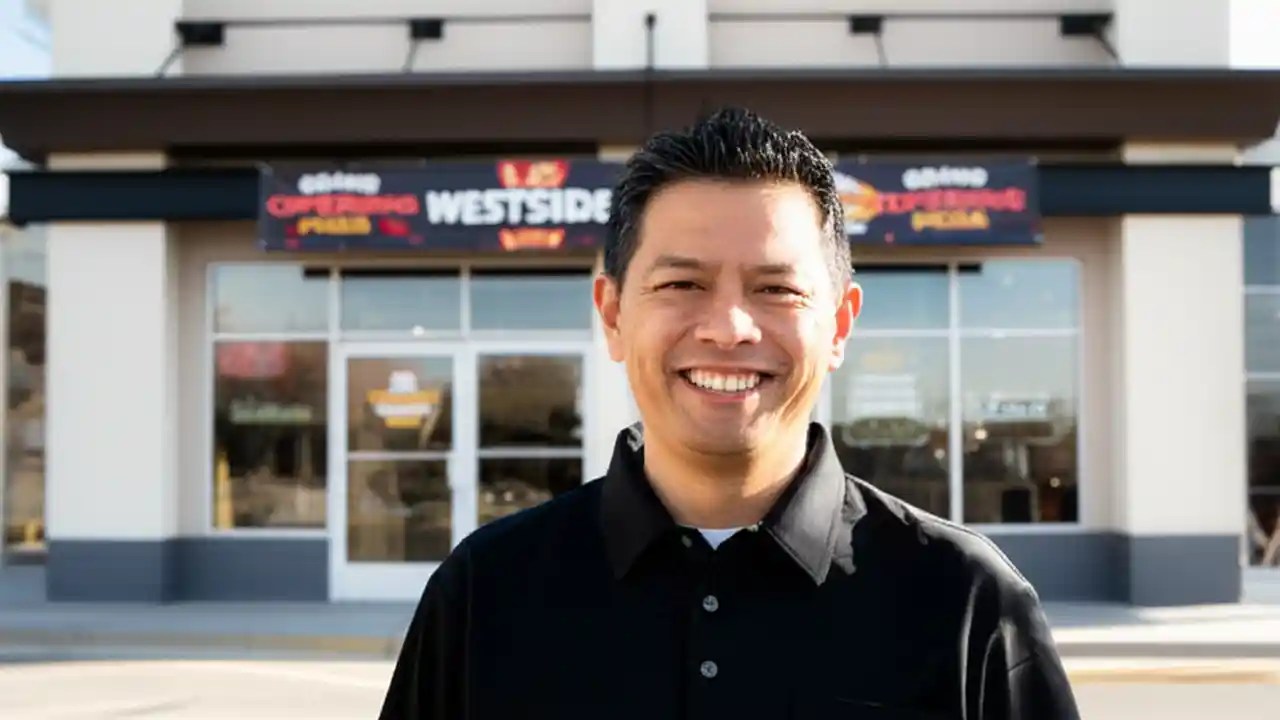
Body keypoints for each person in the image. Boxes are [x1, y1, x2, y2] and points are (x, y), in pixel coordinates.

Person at [378, 107, 1081, 719]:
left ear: (838, 326)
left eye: (776, 288)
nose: (730, 327)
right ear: (614, 315)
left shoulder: (965, 603)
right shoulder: (485, 597)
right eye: (683, 282)